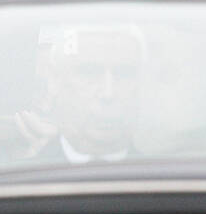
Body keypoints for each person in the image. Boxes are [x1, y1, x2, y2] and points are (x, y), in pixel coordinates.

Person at [17, 24, 147, 164]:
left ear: (142, 82)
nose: (108, 93)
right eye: (89, 73)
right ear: (55, 79)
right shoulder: (16, 181)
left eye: (123, 74)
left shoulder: (164, 176)